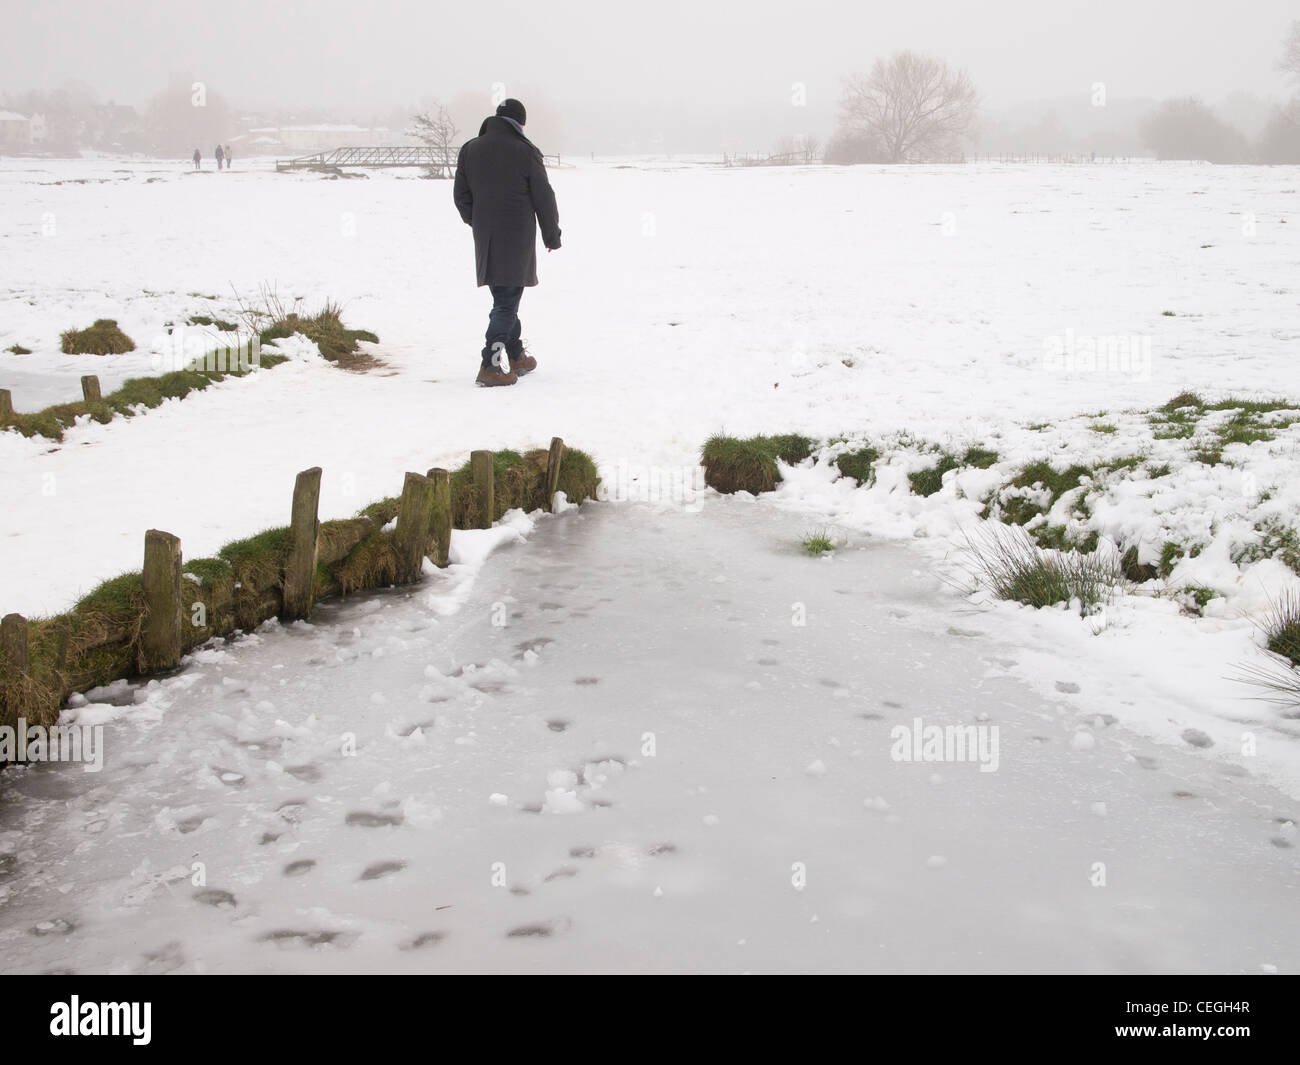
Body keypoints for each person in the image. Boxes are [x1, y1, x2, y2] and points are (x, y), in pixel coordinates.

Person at [453, 98, 561, 387]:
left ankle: (515, 355)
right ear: (520, 124)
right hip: (515, 238)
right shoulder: (525, 151)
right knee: (506, 301)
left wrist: (478, 222)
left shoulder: (470, 149)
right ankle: (491, 364)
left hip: (486, 238)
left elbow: (461, 196)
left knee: (503, 296)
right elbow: (544, 197)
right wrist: (552, 235)